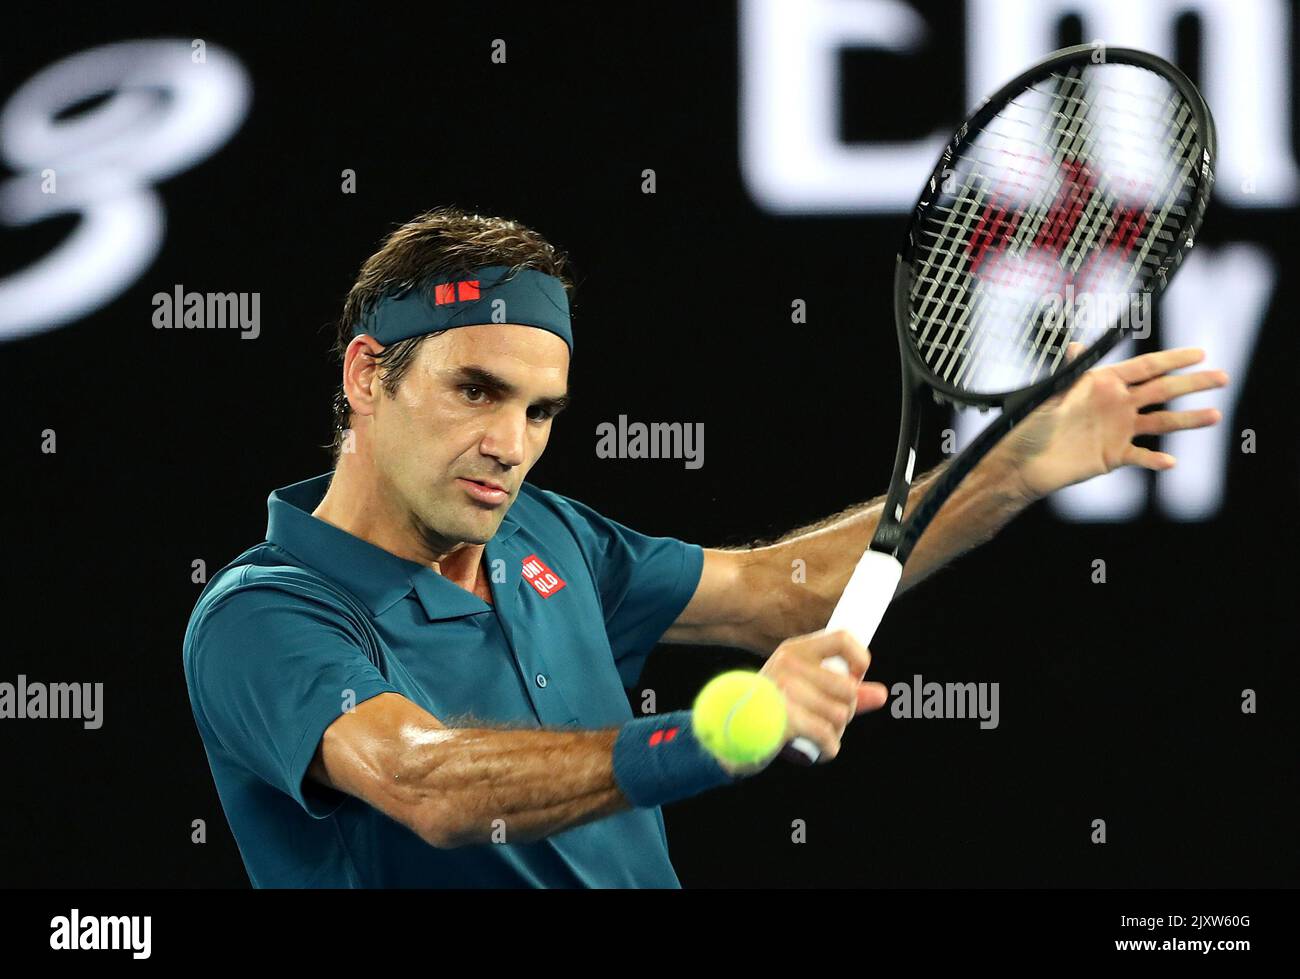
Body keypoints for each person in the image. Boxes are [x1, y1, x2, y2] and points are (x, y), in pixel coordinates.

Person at [182, 206, 1228, 887]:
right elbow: (429, 783)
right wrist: (720, 732)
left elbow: (782, 591)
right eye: (475, 391)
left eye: (542, 411)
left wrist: (1009, 466)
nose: (511, 445)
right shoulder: (265, 613)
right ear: (369, 376)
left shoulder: (546, 534)